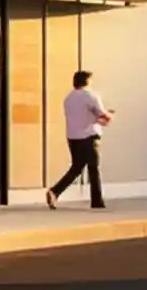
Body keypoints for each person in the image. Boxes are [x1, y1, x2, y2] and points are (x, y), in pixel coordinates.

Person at [46, 70, 113, 210]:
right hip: (89, 137)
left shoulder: (68, 99)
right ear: (87, 81)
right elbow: (103, 116)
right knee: (93, 168)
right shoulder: (91, 96)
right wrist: (109, 116)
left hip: (73, 137)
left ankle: (55, 191)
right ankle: (96, 201)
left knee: (76, 168)